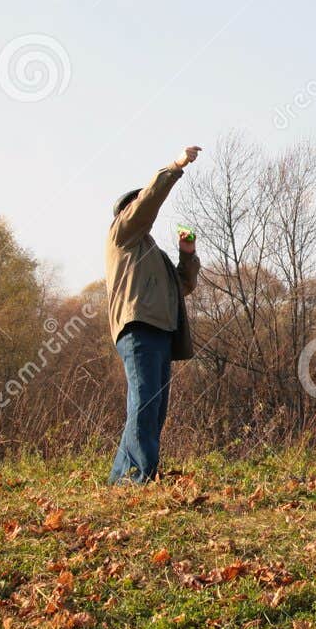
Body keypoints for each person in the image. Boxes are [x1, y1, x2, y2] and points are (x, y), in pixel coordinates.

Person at [104, 146, 202, 484]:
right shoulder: (123, 236)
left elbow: (182, 286)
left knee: (152, 408)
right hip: (138, 329)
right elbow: (147, 202)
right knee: (145, 403)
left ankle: (126, 475)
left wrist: (187, 255)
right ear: (127, 211)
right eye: (139, 205)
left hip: (161, 333)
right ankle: (134, 477)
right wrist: (176, 166)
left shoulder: (152, 254)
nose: (147, 212)